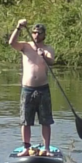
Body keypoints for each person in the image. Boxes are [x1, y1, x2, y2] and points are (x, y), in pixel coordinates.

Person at [8, 19, 55, 152]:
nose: (36, 35)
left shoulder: (48, 49)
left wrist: (43, 56)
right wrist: (18, 27)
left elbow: (51, 61)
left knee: (46, 121)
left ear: (44, 35)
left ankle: (46, 148)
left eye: (39, 33)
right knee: (25, 121)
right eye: (34, 32)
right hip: (28, 89)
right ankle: (26, 148)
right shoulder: (26, 46)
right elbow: (12, 43)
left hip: (43, 89)